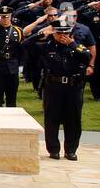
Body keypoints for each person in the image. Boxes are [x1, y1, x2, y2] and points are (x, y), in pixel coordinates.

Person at [32, 20, 90, 160]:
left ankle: (71, 150)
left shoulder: (76, 47)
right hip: (53, 87)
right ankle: (53, 150)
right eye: (59, 32)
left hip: (73, 87)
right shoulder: (47, 47)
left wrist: (72, 43)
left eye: (66, 32)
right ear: (54, 33)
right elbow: (26, 45)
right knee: (52, 118)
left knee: (73, 119)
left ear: (70, 33)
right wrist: (42, 33)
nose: (63, 35)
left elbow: (87, 56)